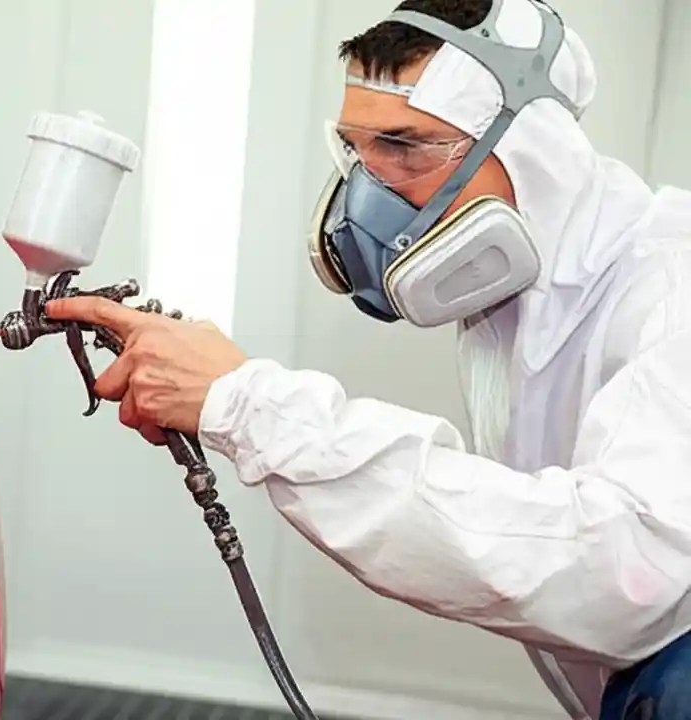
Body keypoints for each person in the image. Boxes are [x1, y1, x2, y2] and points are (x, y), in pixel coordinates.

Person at [45, 1, 691, 718]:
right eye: (357, 153)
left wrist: (245, 403)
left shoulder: (673, 285)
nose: (366, 199)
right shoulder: (514, 306)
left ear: (534, 152)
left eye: (405, 148)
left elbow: (627, 575)